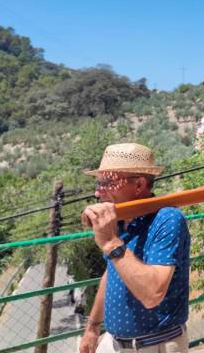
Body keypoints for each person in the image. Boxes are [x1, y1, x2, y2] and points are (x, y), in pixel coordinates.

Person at [79, 143, 190, 353]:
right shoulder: (119, 221)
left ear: (139, 185)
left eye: (107, 183)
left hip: (155, 346)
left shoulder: (167, 219)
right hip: (114, 342)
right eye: (98, 183)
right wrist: (93, 328)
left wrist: (111, 243)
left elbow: (152, 294)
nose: (97, 192)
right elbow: (111, 273)